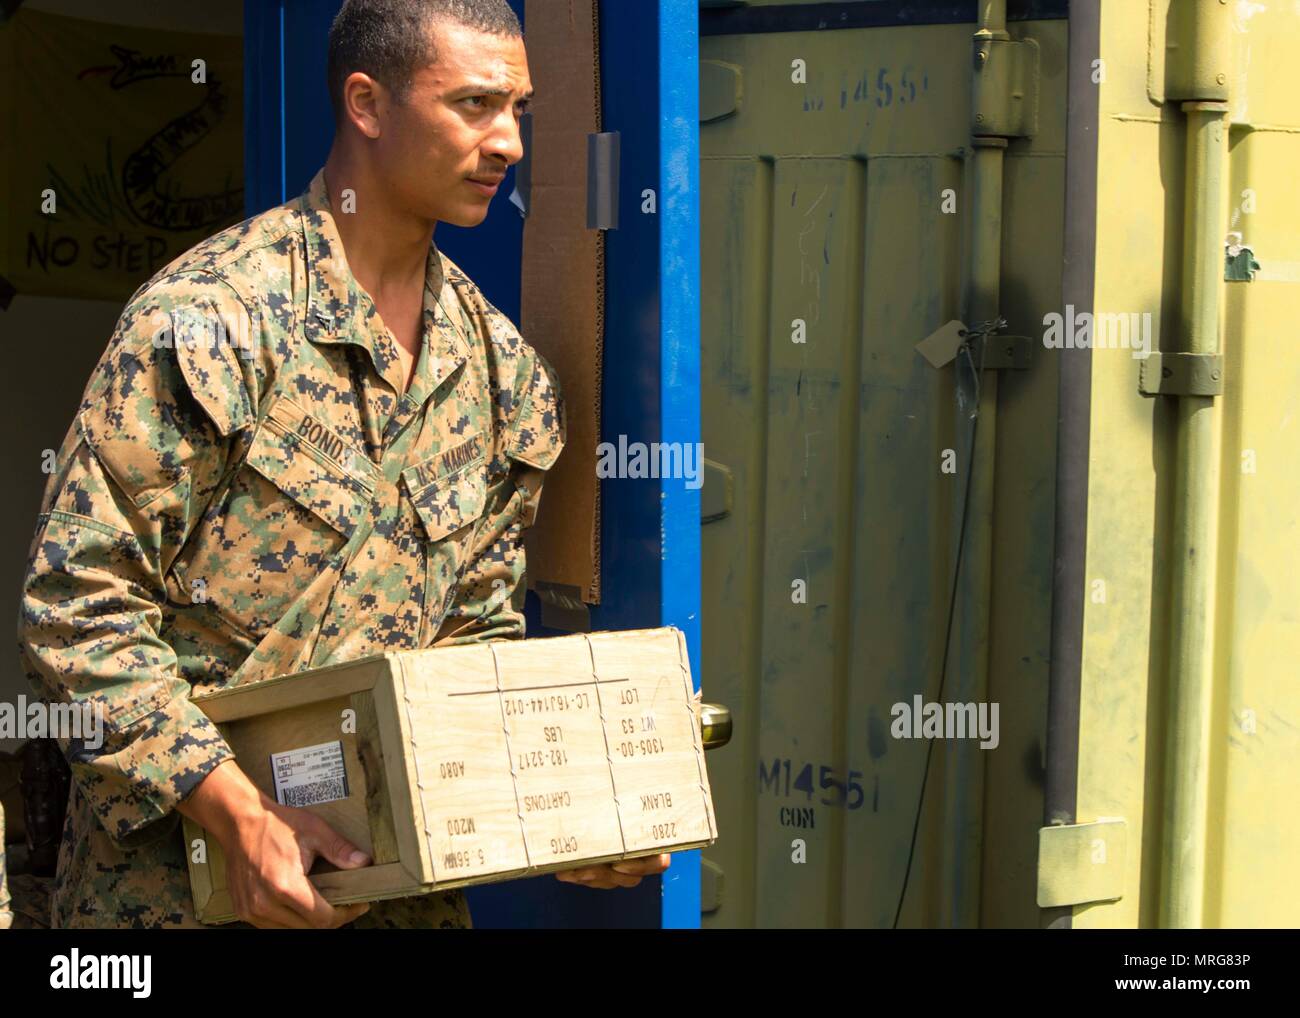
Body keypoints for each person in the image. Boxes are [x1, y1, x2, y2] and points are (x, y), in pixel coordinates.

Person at [16, 0, 667, 930]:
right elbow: (74, 607)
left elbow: (473, 646)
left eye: (519, 109)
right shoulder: (211, 322)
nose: (509, 142)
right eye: (475, 104)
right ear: (366, 103)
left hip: (394, 901)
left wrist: (568, 813)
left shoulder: (503, 377)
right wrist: (239, 817)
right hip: (177, 899)